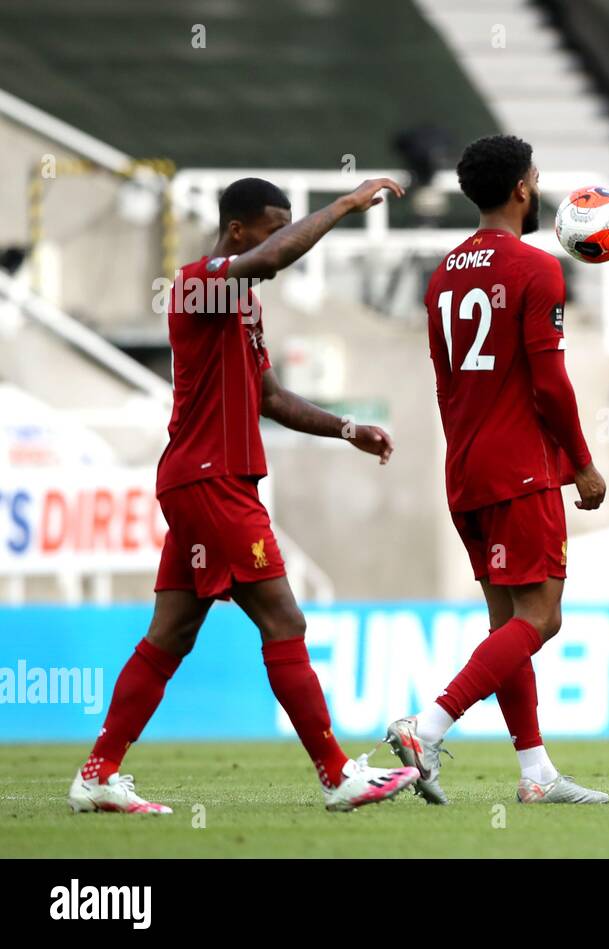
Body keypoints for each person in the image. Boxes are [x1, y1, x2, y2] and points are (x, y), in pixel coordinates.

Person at [70, 176, 419, 814]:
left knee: (169, 635)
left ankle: (97, 776)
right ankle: (337, 775)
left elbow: (272, 399)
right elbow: (276, 257)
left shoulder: (243, 304)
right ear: (238, 231)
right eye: (270, 228)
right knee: (284, 620)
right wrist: (344, 204)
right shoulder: (200, 283)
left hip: (204, 480)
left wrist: (347, 428)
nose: (279, 241)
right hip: (212, 480)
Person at [386, 135, 609, 805]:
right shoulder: (538, 269)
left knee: (505, 623)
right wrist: (583, 463)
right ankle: (427, 727)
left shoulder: (443, 272)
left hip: (465, 468)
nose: (537, 191)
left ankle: (536, 772)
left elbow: (444, 379)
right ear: (521, 189)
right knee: (541, 619)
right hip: (520, 469)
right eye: (536, 180)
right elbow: (550, 382)